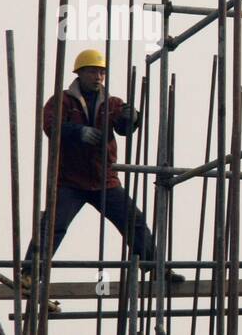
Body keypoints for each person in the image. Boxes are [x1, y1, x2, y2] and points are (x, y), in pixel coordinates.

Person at [22, 49, 185, 287]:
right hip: (70, 181)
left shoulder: (112, 103)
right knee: (53, 226)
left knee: (134, 221)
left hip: (104, 180)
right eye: (92, 72)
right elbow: (51, 125)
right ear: (79, 74)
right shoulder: (62, 101)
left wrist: (132, 117)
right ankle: (29, 273)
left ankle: (157, 268)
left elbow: (124, 129)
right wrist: (78, 132)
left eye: (101, 72)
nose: (97, 77)